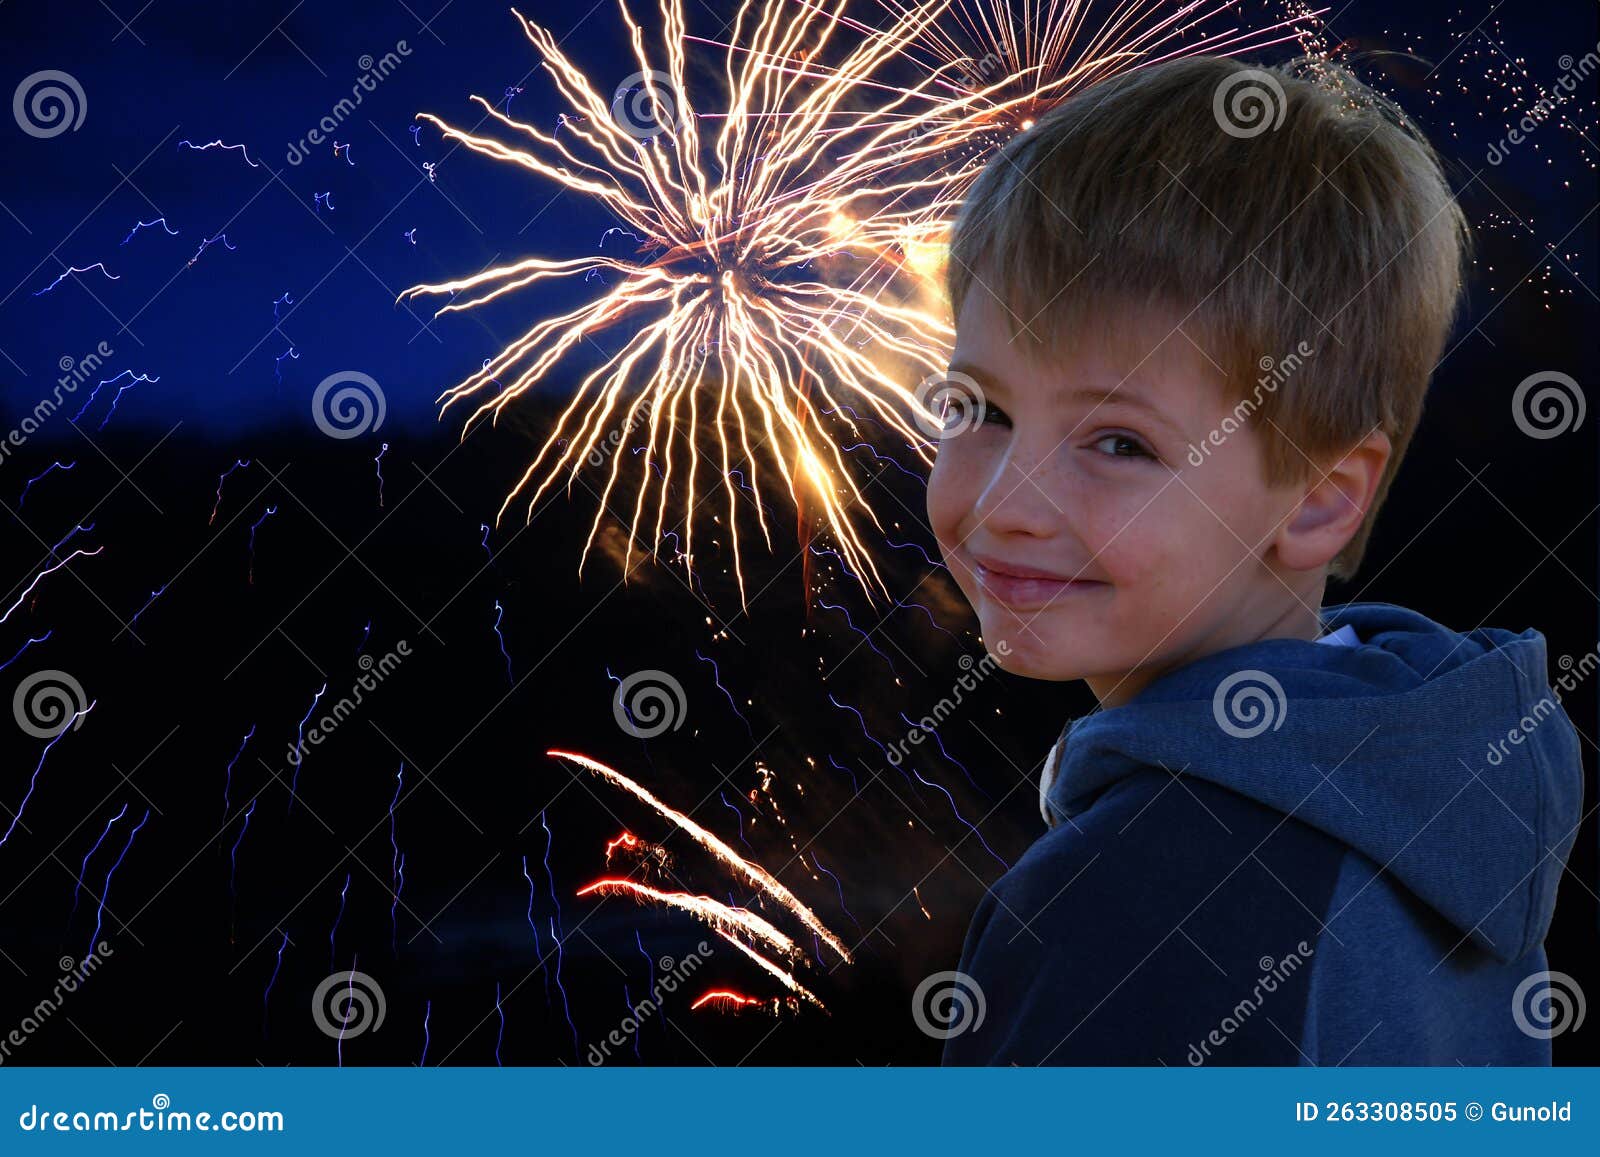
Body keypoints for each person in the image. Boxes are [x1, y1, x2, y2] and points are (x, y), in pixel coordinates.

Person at [926, 55, 1584, 1064]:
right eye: (981, 410)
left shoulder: (1133, 898)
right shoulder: (1442, 808)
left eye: (1118, 444)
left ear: (1321, 496)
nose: (1007, 503)